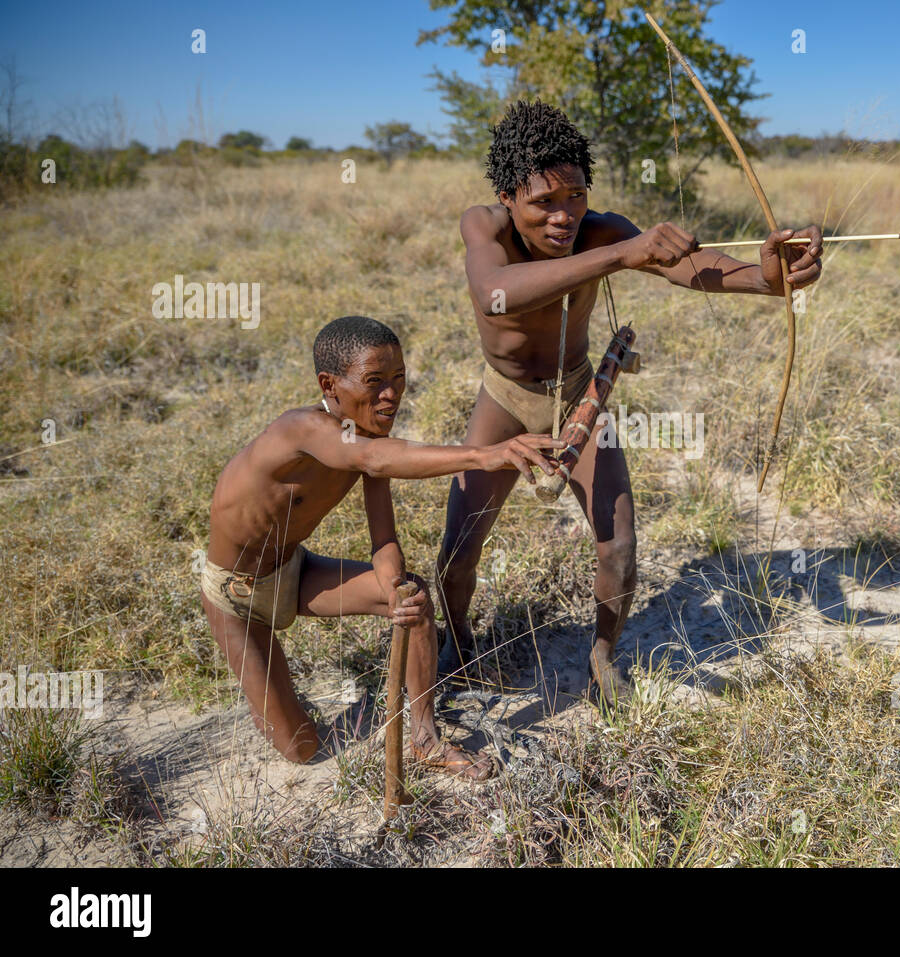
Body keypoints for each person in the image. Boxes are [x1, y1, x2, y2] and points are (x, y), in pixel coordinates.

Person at [438, 100, 823, 705]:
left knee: (618, 541)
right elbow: (496, 296)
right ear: (510, 196)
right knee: (459, 546)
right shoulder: (483, 226)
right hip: (505, 398)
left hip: (579, 392)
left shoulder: (599, 229)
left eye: (576, 197)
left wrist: (769, 277)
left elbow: (693, 267)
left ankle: (602, 655)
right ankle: (457, 644)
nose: (564, 216)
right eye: (544, 202)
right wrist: (623, 253)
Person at [199, 314, 563, 774]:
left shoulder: (369, 437)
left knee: (414, 597)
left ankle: (425, 738)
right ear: (329, 385)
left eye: (398, 379)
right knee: (302, 747)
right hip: (235, 596)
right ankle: (265, 695)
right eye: (374, 382)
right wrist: (485, 454)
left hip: (294, 571)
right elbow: (371, 459)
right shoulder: (301, 430)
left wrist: (395, 590)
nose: (390, 395)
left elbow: (384, 537)